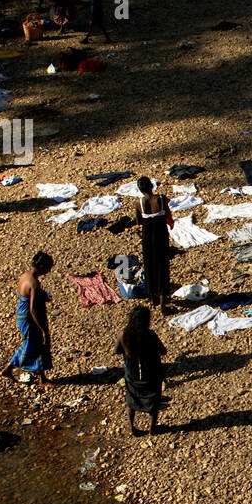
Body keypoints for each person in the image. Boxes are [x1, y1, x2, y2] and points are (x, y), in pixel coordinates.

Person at [2, 252, 54, 386]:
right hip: (29, 319)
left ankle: (40, 377)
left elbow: (27, 295)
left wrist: (42, 296)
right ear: (42, 266)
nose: (49, 271)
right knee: (35, 345)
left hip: (21, 315)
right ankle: (40, 379)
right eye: (48, 268)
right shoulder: (34, 283)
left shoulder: (25, 276)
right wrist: (43, 328)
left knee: (31, 344)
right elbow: (33, 310)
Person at [115, 306, 166, 436]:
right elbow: (163, 351)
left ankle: (131, 428)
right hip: (151, 371)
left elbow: (116, 351)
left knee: (131, 398)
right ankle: (152, 429)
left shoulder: (123, 335)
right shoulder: (150, 335)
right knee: (153, 399)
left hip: (132, 372)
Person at [136, 176, 171, 313]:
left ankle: (153, 299)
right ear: (151, 186)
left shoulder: (138, 202)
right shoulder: (161, 199)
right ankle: (163, 306)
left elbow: (139, 222)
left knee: (149, 266)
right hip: (160, 236)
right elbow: (167, 214)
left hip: (147, 237)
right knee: (162, 267)